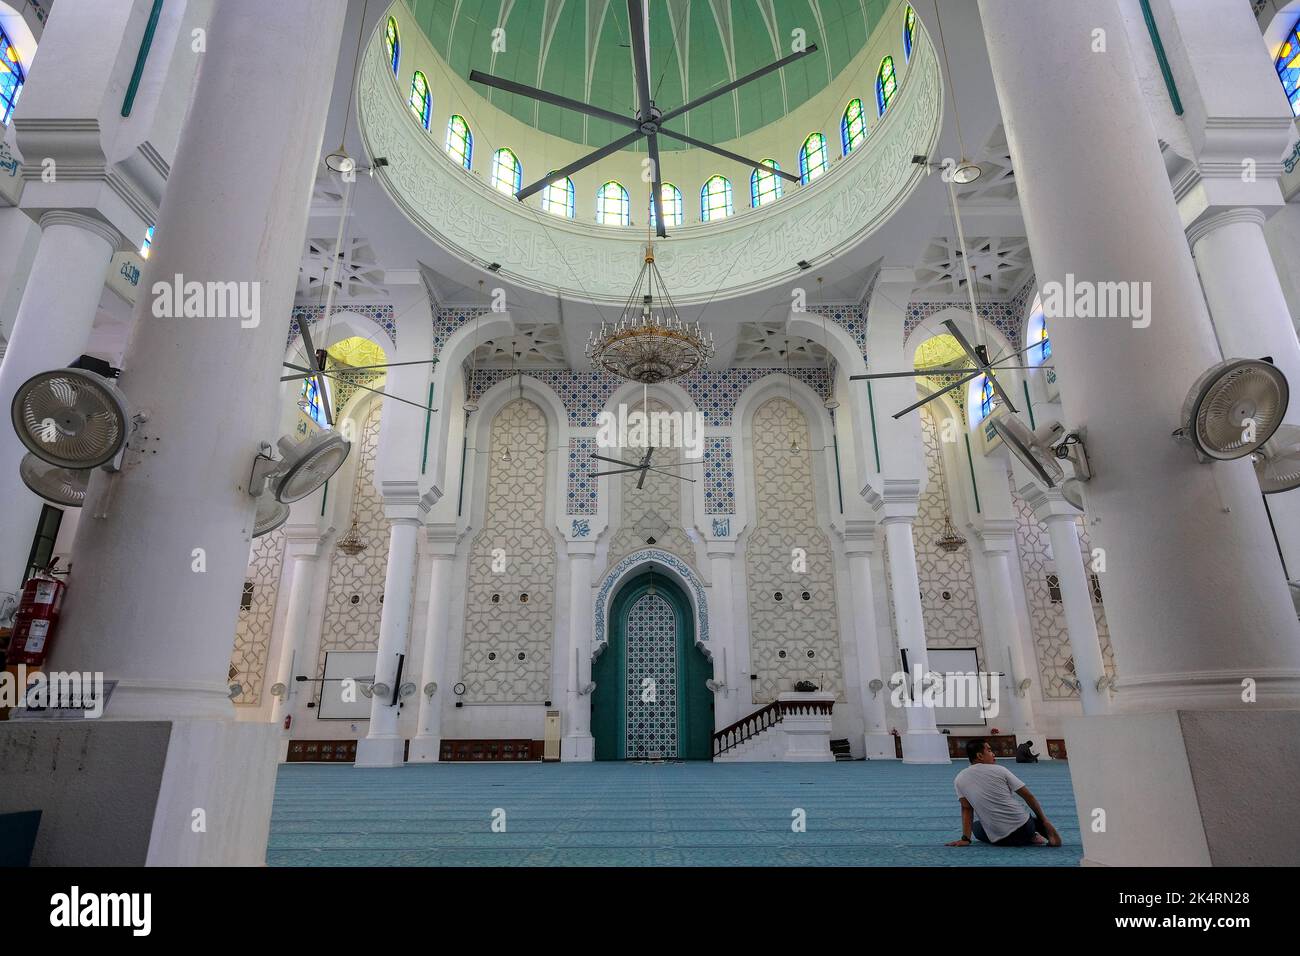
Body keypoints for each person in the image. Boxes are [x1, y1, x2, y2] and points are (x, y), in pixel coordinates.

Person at [946, 739, 1061, 847]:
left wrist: (965, 839)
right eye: (990, 751)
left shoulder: (959, 778)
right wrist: (1044, 820)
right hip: (1025, 829)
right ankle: (1039, 833)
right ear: (980, 756)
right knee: (1030, 818)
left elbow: (966, 809)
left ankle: (1028, 837)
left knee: (976, 827)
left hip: (999, 840)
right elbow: (1028, 796)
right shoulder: (1000, 770)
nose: (993, 754)